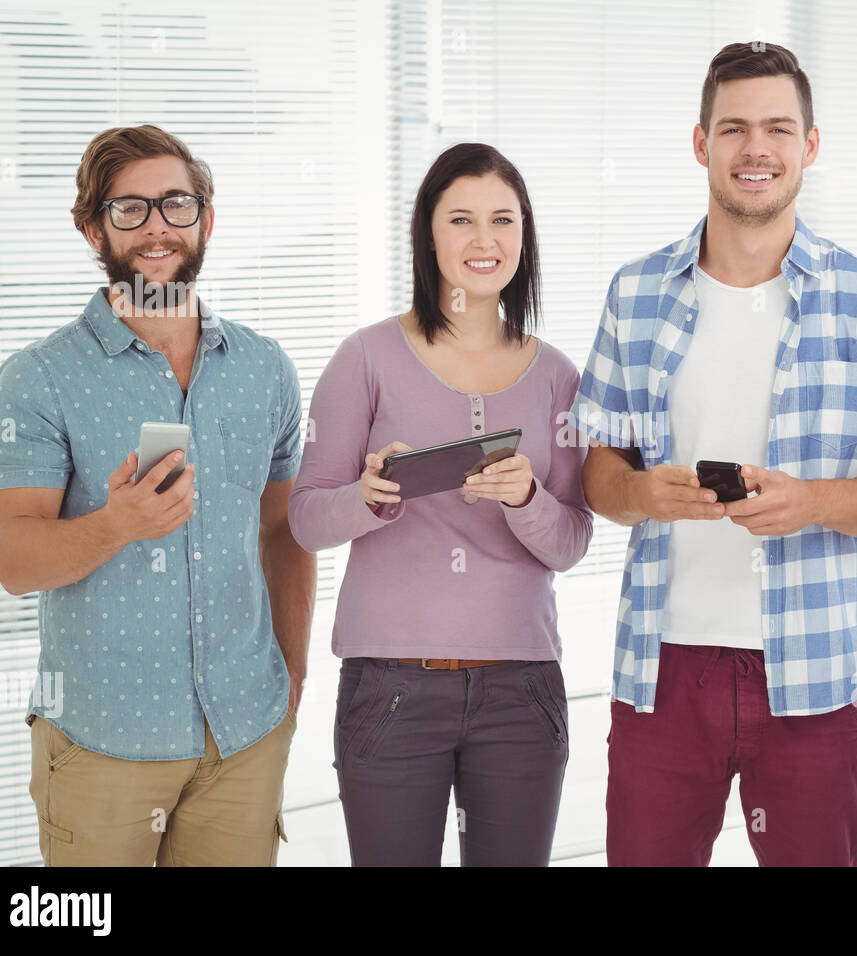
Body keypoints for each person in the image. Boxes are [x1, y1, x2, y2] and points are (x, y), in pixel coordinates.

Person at [570, 42, 857, 866]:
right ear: (702, 144)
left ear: (810, 144)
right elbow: (597, 472)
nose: (755, 149)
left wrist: (813, 503)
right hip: (664, 667)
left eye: (776, 128)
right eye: (733, 128)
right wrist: (641, 496)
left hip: (813, 668)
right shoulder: (635, 292)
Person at [0, 124, 314, 866]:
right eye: (128, 209)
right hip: (104, 743)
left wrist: (292, 671)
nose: (157, 226)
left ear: (207, 217)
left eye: (176, 203)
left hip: (246, 734)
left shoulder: (266, 369)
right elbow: (13, 559)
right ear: (92, 225)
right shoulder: (39, 379)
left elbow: (283, 531)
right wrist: (116, 525)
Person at [287, 142, 593, 867]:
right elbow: (304, 517)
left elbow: (573, 539)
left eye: (502, 220)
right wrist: (371, 497)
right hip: (391, 689)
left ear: (525, 236)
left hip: (522, 690)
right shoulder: (365, 357)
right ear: (428, 233)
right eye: (461, 219)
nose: (484, 240)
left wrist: (523, 498)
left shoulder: (557, 376)